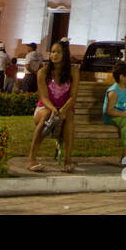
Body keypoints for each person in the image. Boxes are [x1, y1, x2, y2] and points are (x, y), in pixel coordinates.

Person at [27, 42, 76, 172]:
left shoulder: (73, 72)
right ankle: (32, 158)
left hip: (65, 108)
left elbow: (73, 96)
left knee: (70, 116)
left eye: (58, 52)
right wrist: (54, 110)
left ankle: (67, 161)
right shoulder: (43, 72)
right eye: (53, 52)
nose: (54, 55)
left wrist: (63, 110)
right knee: (47, 113)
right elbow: (43, 97)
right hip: (45, 107)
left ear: (65, 54)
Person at [103, 61, 126, 162]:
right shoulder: (114, 92)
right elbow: (109, 111)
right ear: (122, 77)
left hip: (123, 114)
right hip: (112, 117)